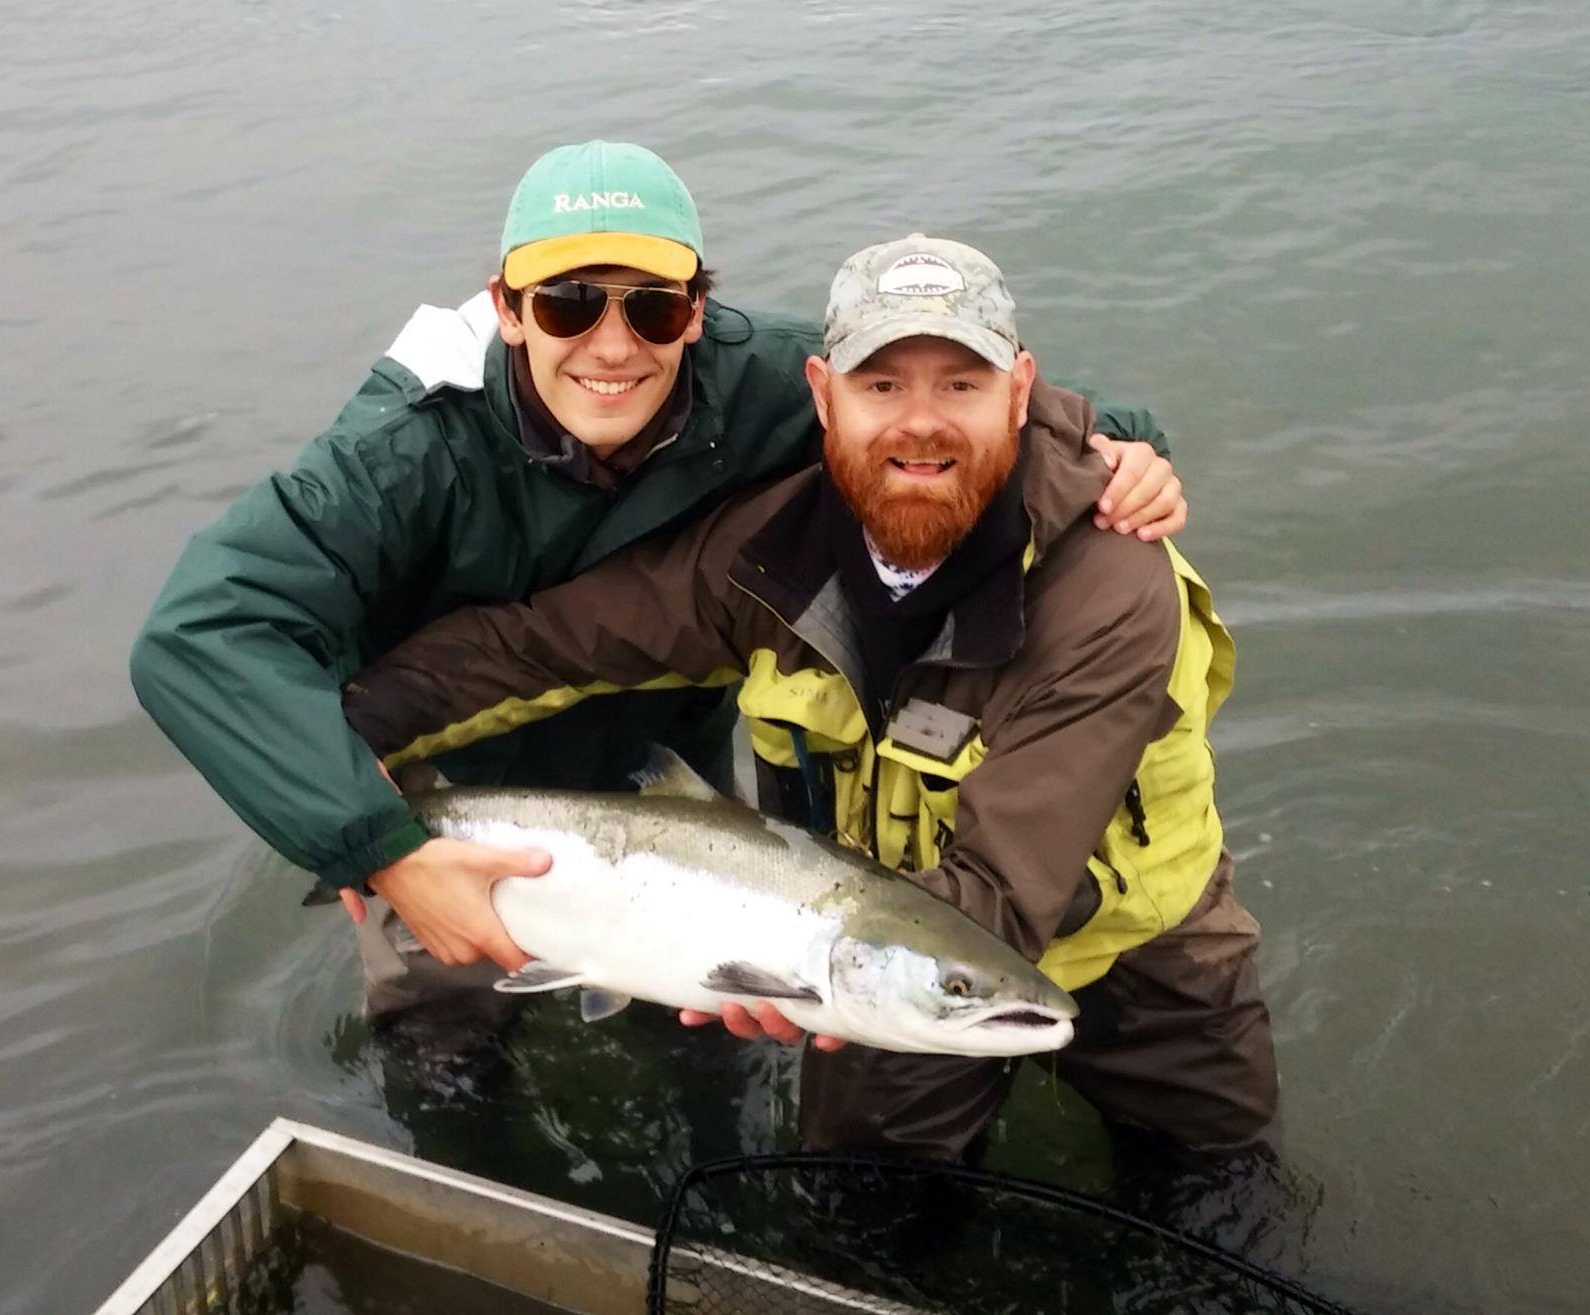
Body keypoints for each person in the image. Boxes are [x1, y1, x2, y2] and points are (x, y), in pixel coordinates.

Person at [129, 141, 1187, 1023]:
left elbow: (976, 402)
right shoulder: (399, 452)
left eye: (652, 309)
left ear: (697, 310)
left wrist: (1126, 457)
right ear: (505, 308)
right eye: (567, 306)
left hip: (669, 804)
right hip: (443, 794)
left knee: (703, 1037)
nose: (611, 344)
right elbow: (199, 634)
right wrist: (376, 841)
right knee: (441, 1047)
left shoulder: (770, 375)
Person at [339, 233, 1275, 1157]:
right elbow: (534, 648)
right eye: (881, 386)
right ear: (823, 397)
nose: (921, 422)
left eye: (961, 384)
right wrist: (336, 761)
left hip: (1139, 953)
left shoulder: (1110, 584)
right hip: (870, 942)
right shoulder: (761, 556)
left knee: (1217, 1192)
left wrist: (801, 976)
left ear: (1020, 392)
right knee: (859, 1219)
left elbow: (1000, 892)